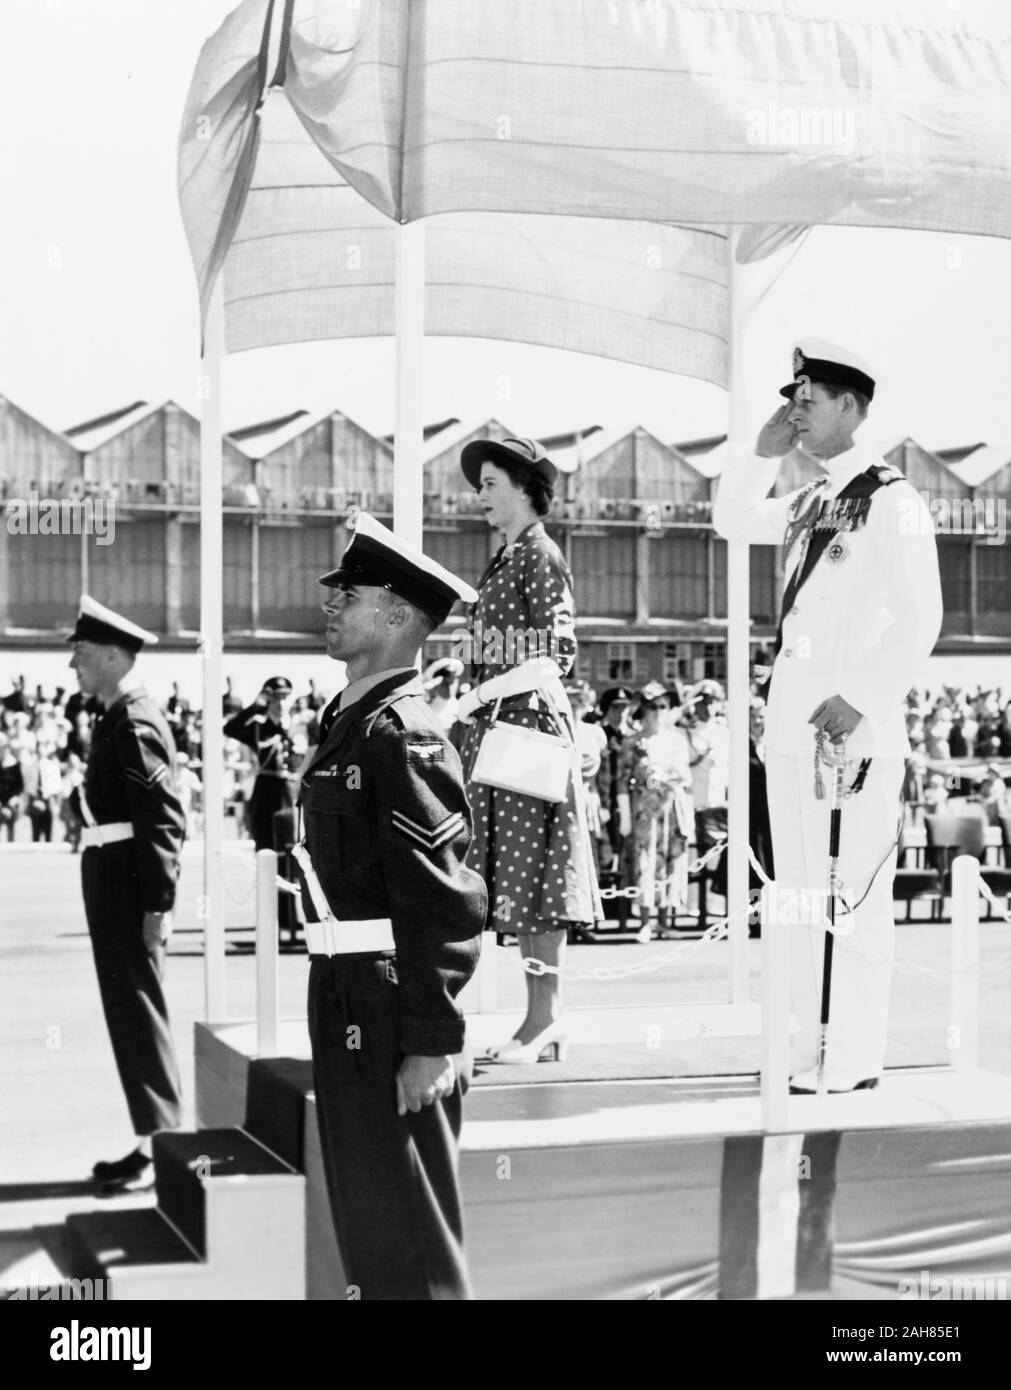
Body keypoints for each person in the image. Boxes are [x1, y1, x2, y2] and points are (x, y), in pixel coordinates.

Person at [714, 338, 943, 1093]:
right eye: (792, 401)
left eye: (808, 401)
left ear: (850, 406)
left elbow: (921, 619)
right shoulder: (809, 501)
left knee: (852, 898)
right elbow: (730, 518)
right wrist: (757, 453)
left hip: (849, 735)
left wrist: (861, 699)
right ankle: (808, 1049)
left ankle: (850, 1059)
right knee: (801, 899)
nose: (796, 412)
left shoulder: (892, 499)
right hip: (790, 733)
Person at [297, 511, 486, 1300]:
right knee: (371, 1223)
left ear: (401, 617)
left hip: (387, 1000)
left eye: (352, 592)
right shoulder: (349, 724)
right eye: (334, 591)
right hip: (343, 987)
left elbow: (440, 898)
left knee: (412, 1236)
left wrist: (432, 1040)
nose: (331, 603)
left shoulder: (400, 735)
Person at [454, 436, 602, 1062]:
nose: (479, 495)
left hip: (523, 728)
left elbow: (555, 655)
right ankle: (540, 1020)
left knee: (532, 874)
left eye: (489, 483)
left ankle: (544, 1019)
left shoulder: (538, 554)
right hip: (504, 727)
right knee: (520, 875)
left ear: (522, 486)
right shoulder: (510, 557)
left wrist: (469, 698)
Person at [65, 595, 187, 1191]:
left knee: (139, 1014)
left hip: (128, 882)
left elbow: (164, 819)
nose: (74, 665)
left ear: (115, 656)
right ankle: (151, 1139)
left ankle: (164, 1147)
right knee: (129, 1013)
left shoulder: (135, 720)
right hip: (112, 873)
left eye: (83, 654)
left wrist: (158, 905)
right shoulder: (115, 715)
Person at [619, 682, 692, 941]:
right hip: (645, 810)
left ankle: (665, 920)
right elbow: (623, 780)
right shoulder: (632, 742)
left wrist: (668, 777)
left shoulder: (677, 740)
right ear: (644, 710)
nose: (658, 712)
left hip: (671, 807)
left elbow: (685, 776)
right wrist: (625, 816)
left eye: (663, 706)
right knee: (645, 862)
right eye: (653, 707)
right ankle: (645, 922)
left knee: (671, 861)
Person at [595, 685, 636, 927]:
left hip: (631, 803)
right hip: (606, 800)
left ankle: (626, 910)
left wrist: (654, 786)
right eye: (616, 707)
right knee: (607, 856)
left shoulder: (635, 737)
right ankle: (605, 911)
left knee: (628, 857)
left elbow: (650, 778)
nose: (621, 712)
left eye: (625, 707)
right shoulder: (599, 735)